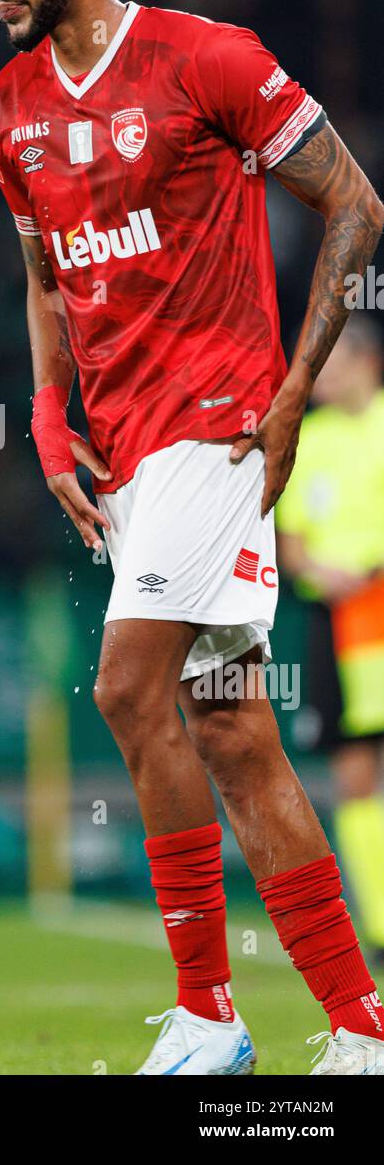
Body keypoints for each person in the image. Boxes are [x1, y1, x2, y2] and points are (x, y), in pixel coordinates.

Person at [0, 0, 384, 1075]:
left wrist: (292, 390)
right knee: (232, 730)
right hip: (131, 454)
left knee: (122, 689)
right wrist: (49, 416)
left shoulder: (203, 59)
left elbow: (355, 204)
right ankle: (361, 1028)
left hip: (214, 427)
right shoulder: (6, 109)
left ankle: (207, 1013)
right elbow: (47, 276)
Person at [277, 316, 384, 966]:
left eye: (329, 360)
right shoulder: (306, 440)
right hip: (335, 624)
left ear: (367, 361)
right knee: (353, 773)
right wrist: (323, 572)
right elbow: (291, 543)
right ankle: (378, 925)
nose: (316, 372)